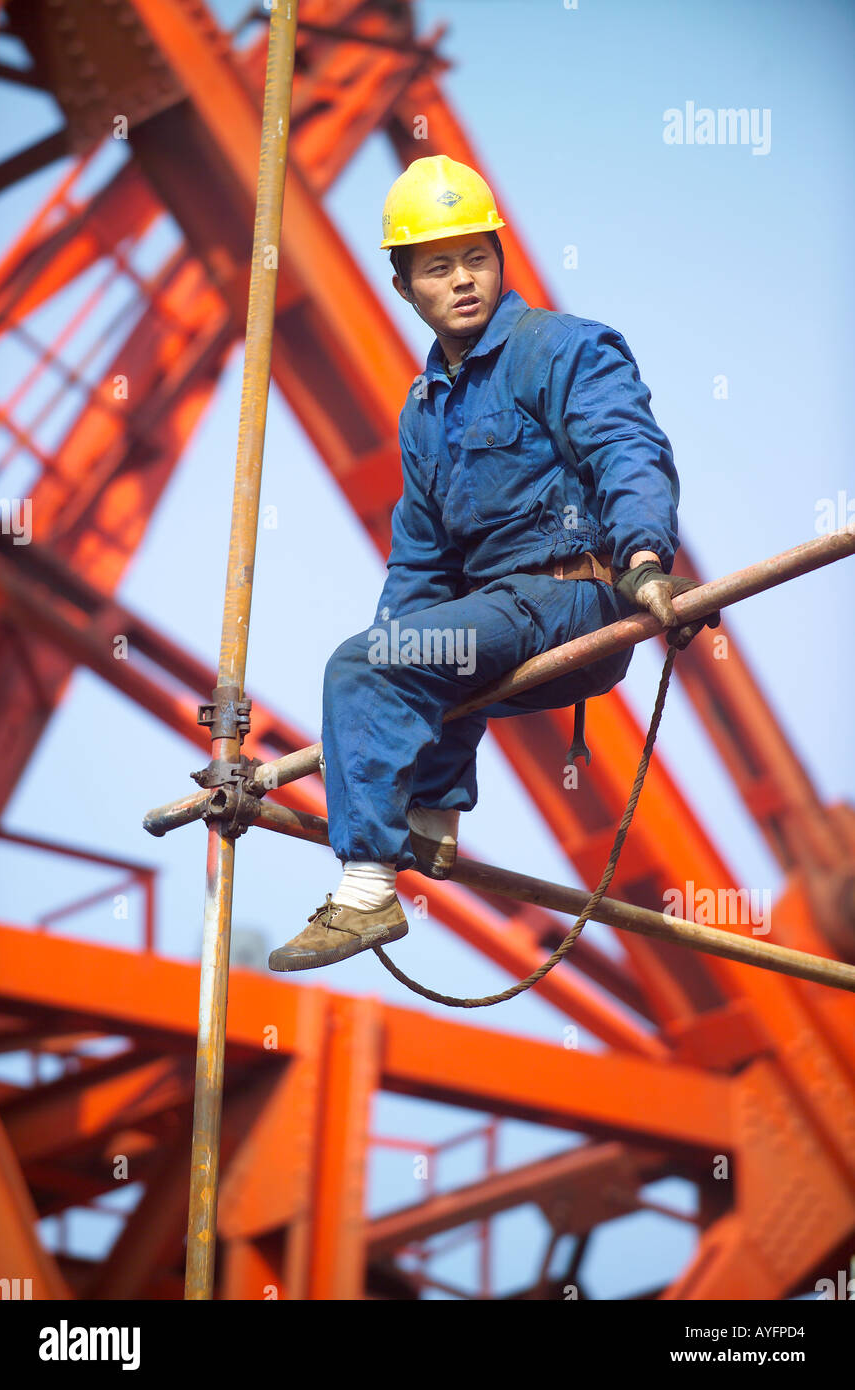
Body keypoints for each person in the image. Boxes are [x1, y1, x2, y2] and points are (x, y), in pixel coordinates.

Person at [268, 154, 715, 973]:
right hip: (508, 620)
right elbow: (421, 563)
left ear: (499, 259)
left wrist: (646, 557)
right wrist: (381, 677)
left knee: (369, 666)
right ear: (405, 288)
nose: (464, 280)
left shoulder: (563, 349)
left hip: (574, 600)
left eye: (477, 257)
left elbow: (627, 448)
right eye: (438, 267)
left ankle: (366, 897)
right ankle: (431, 824)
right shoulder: (426, 409)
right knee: (405, 646)